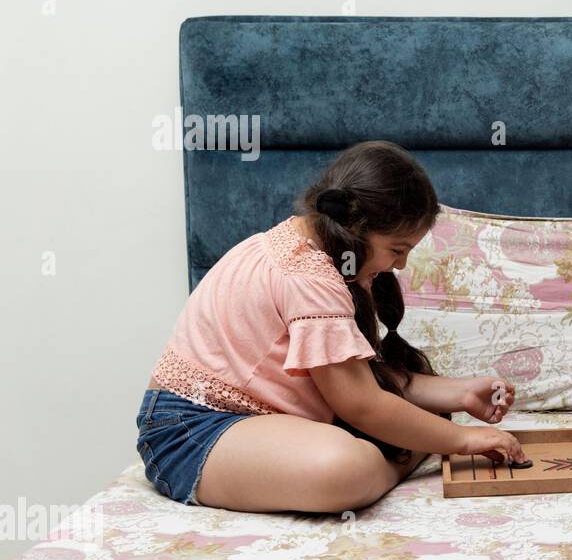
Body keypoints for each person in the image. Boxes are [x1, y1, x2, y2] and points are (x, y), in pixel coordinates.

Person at [137, 140, 526, 513]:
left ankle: (397, 451)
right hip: (190, 431)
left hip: (251, 421)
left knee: (417, 420)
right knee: (347, 467)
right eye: (397, 250)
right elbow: (361, 404)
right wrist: (461, 440)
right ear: (356, 227)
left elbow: (363, 383)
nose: (401, 266)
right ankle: (392, 464)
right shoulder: (309, 278)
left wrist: (459, 393)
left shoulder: (311, 249)